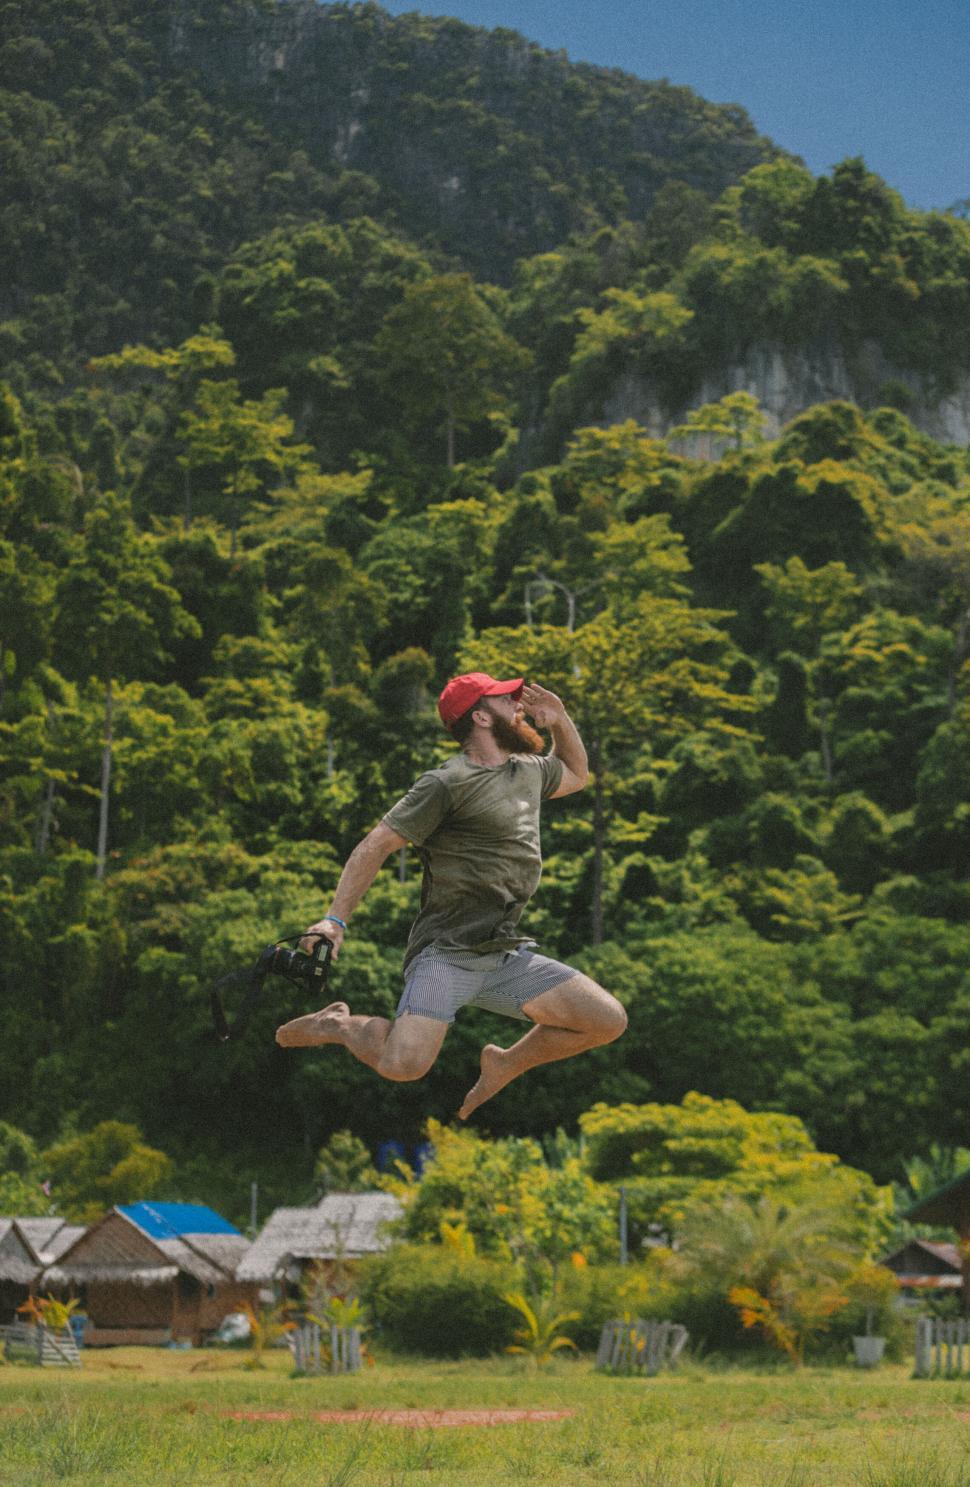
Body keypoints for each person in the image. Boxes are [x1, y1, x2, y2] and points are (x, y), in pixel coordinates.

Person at [275, 672, 627, 1118]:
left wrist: (559, 719)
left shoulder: (528, 771)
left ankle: (506, 1062)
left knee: (606, 1020)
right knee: (403, 1066)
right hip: (447, 953)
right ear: (480, 717)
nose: (518, 705)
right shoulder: (447, 783)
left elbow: (577, 773)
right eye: (506, 700)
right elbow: (376, 845)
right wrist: (334, 920)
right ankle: (338, 1024)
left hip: (501, 952)